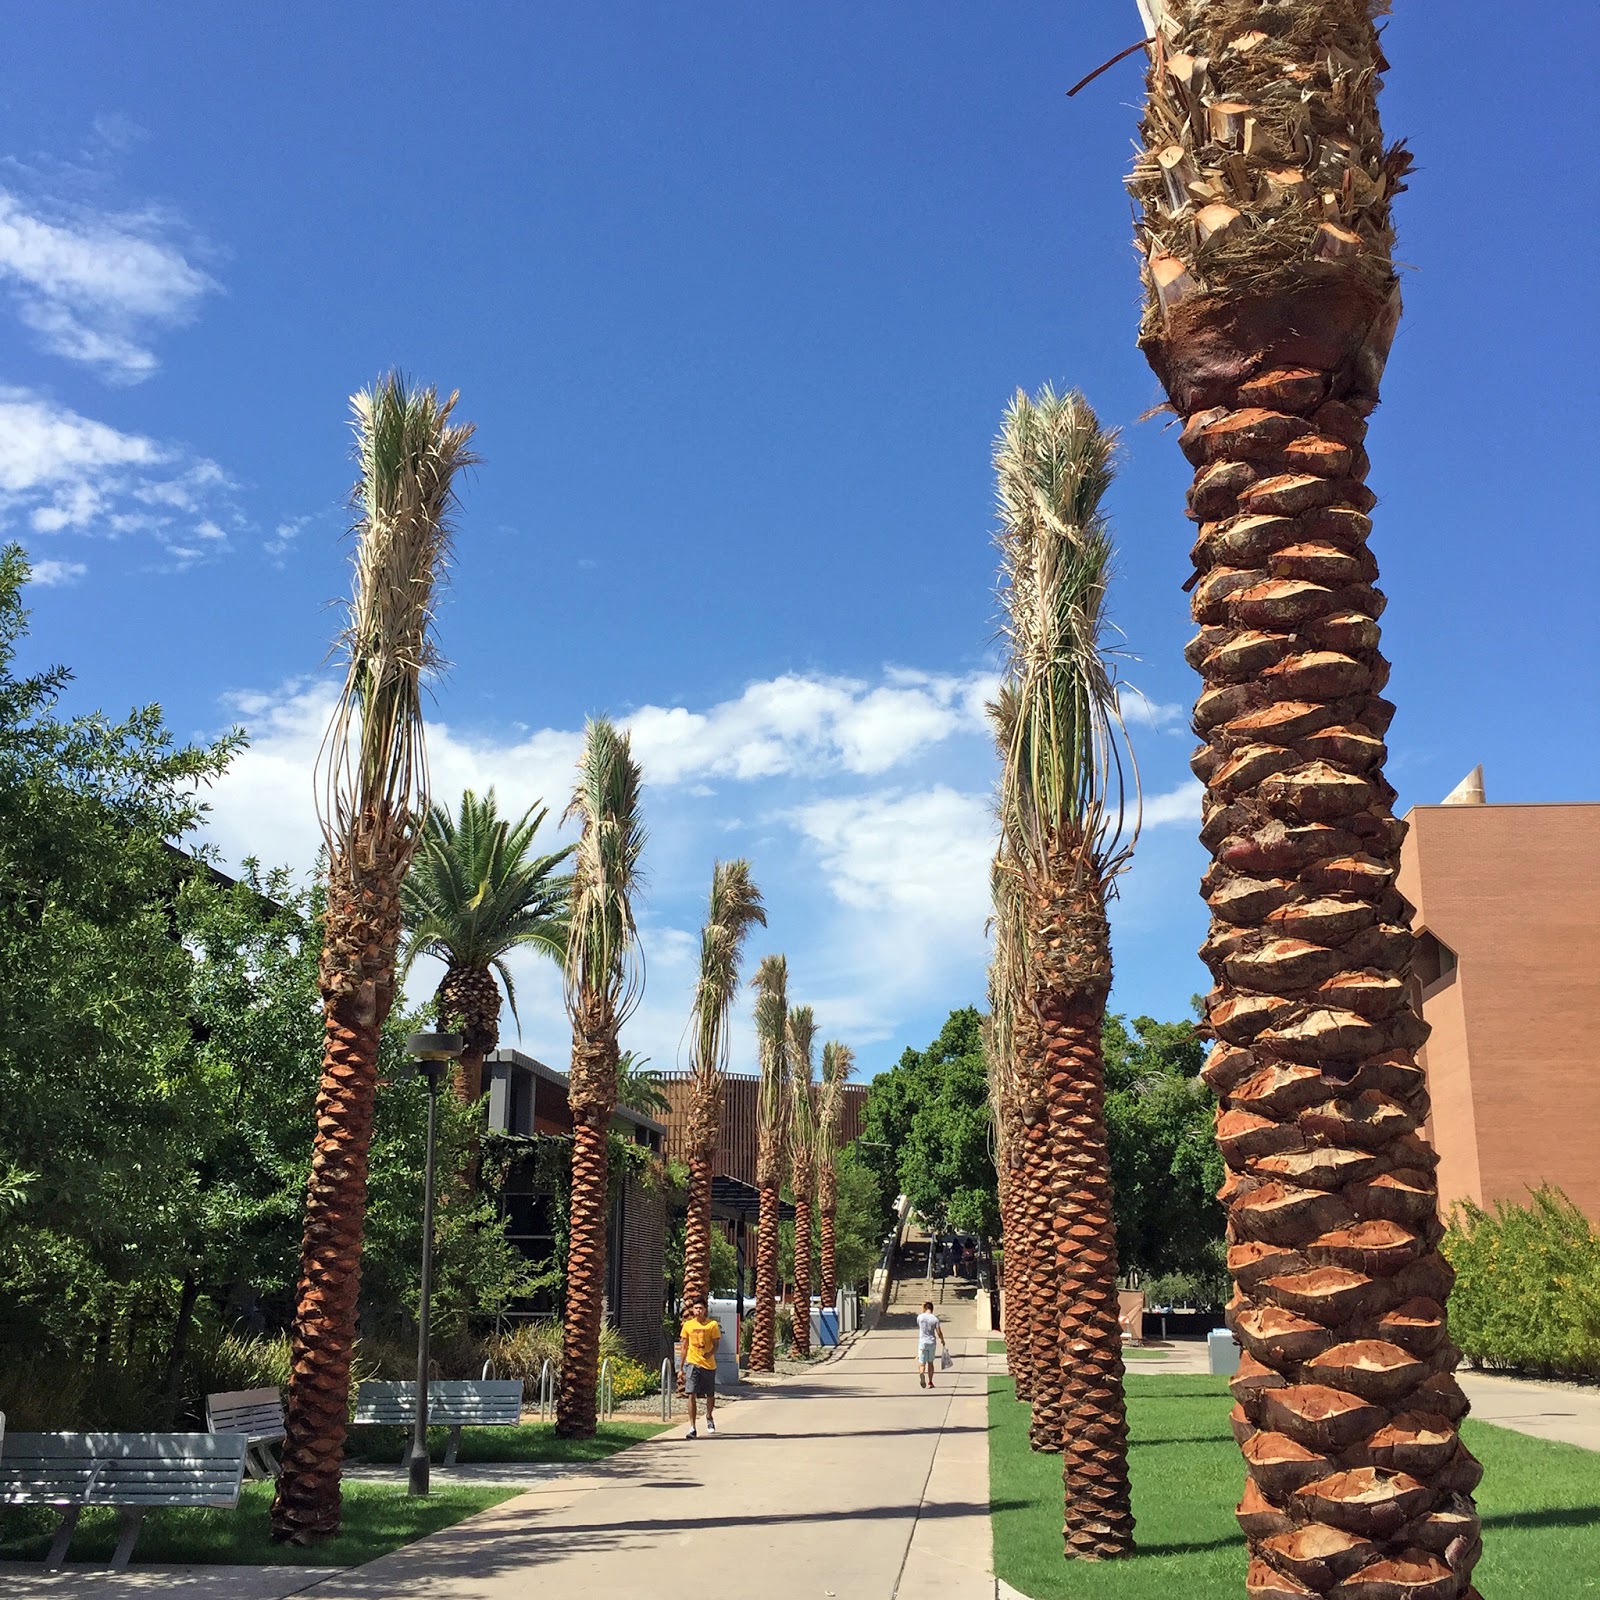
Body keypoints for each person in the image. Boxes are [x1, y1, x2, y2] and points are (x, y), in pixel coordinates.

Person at [679, 1296, 721, 1439]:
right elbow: (684, 1347)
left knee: (710, 1394)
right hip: (692, 1363)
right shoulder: (688, 1325)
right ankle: (692, 1427)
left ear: (705, 1310)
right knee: (691, 1393)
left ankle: (709, 1416)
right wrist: (681, 1368)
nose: (698, 1311)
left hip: (708, 1365)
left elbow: (716, 1345)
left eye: (701, 1308)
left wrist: (710, 1353)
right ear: (692, 1309)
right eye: (696, 1308)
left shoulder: (712, 1325)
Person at [916, 1300, 948, 1388]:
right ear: (932, 1309)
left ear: (925, 1308)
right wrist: (942, 1340)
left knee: (922, 1363)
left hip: (923, 1343)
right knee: (930, 1363)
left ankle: (922, 1373)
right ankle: (930, 1381)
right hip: (932, 1343)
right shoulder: (935, 1319)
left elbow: (920, 1325)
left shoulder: (920, 1317)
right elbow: (939, 1332)